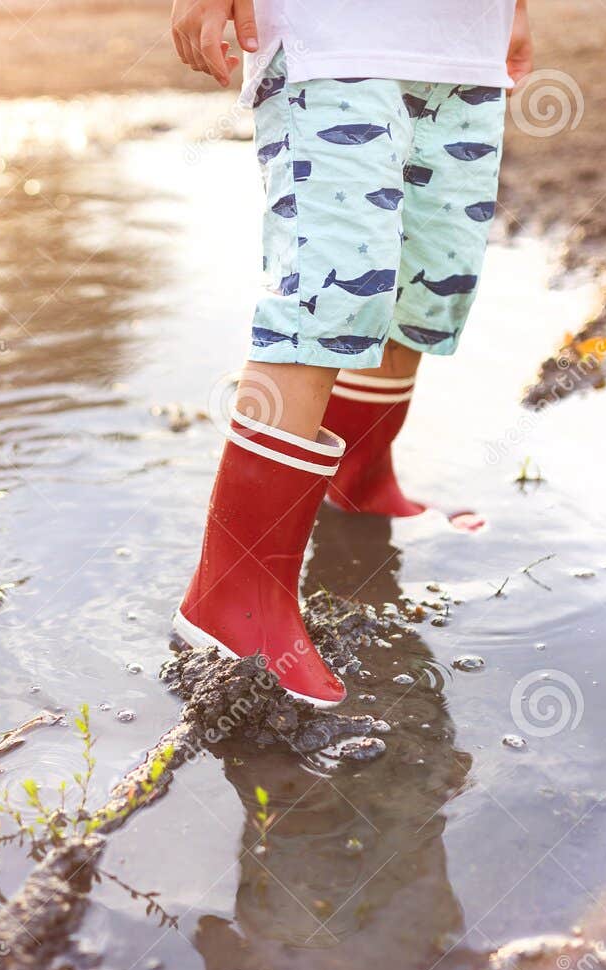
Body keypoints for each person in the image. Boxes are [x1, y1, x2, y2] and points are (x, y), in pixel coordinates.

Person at [170, 0, 534, 707]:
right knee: (328, 294)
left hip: (465, 41)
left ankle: (359, 483)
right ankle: (232, 594)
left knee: (429, 275)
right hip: (331, 36)